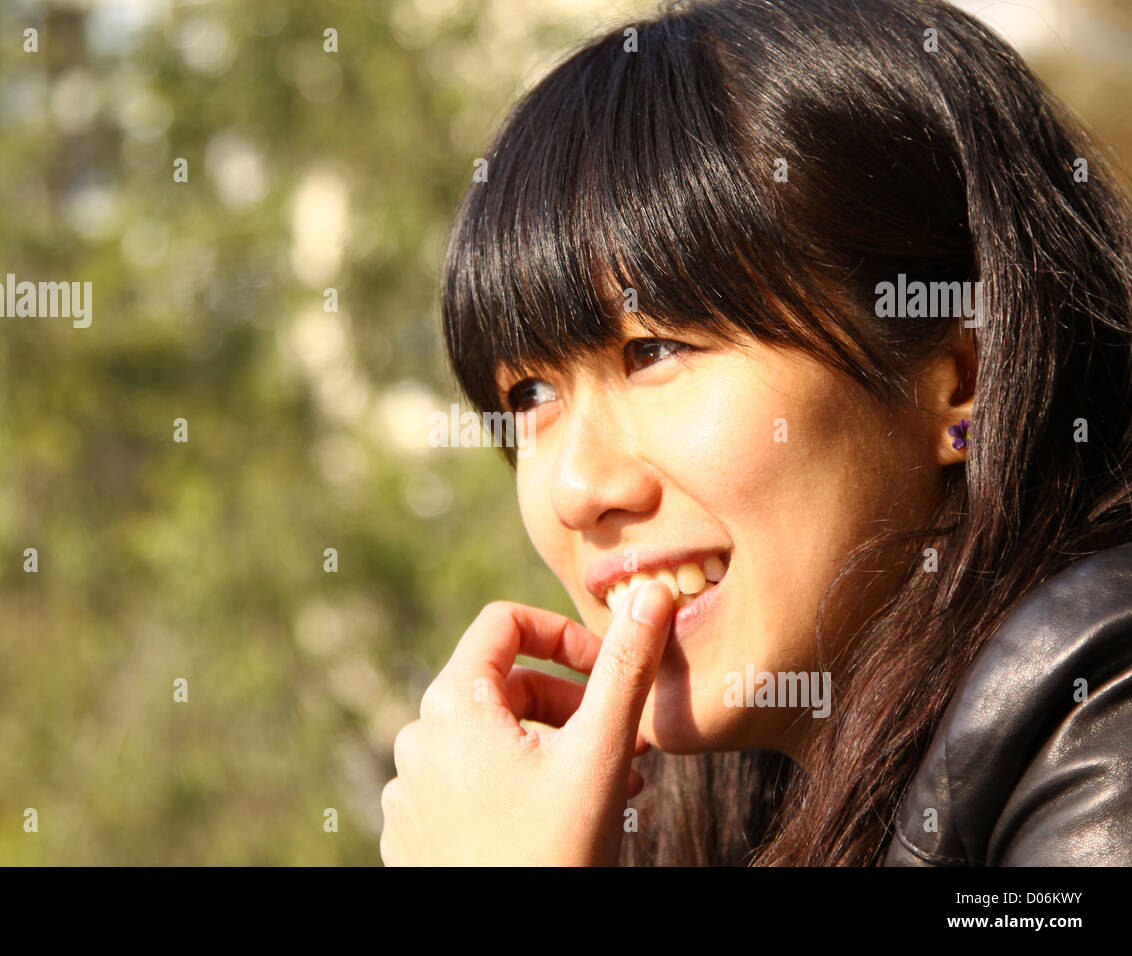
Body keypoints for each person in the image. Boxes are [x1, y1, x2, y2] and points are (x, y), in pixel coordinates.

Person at [379, 0, 1132, 865]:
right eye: (532, 393)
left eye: (654, 350)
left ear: (960, 380)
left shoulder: (1101, 706)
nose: (577, 490)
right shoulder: (730, 814)